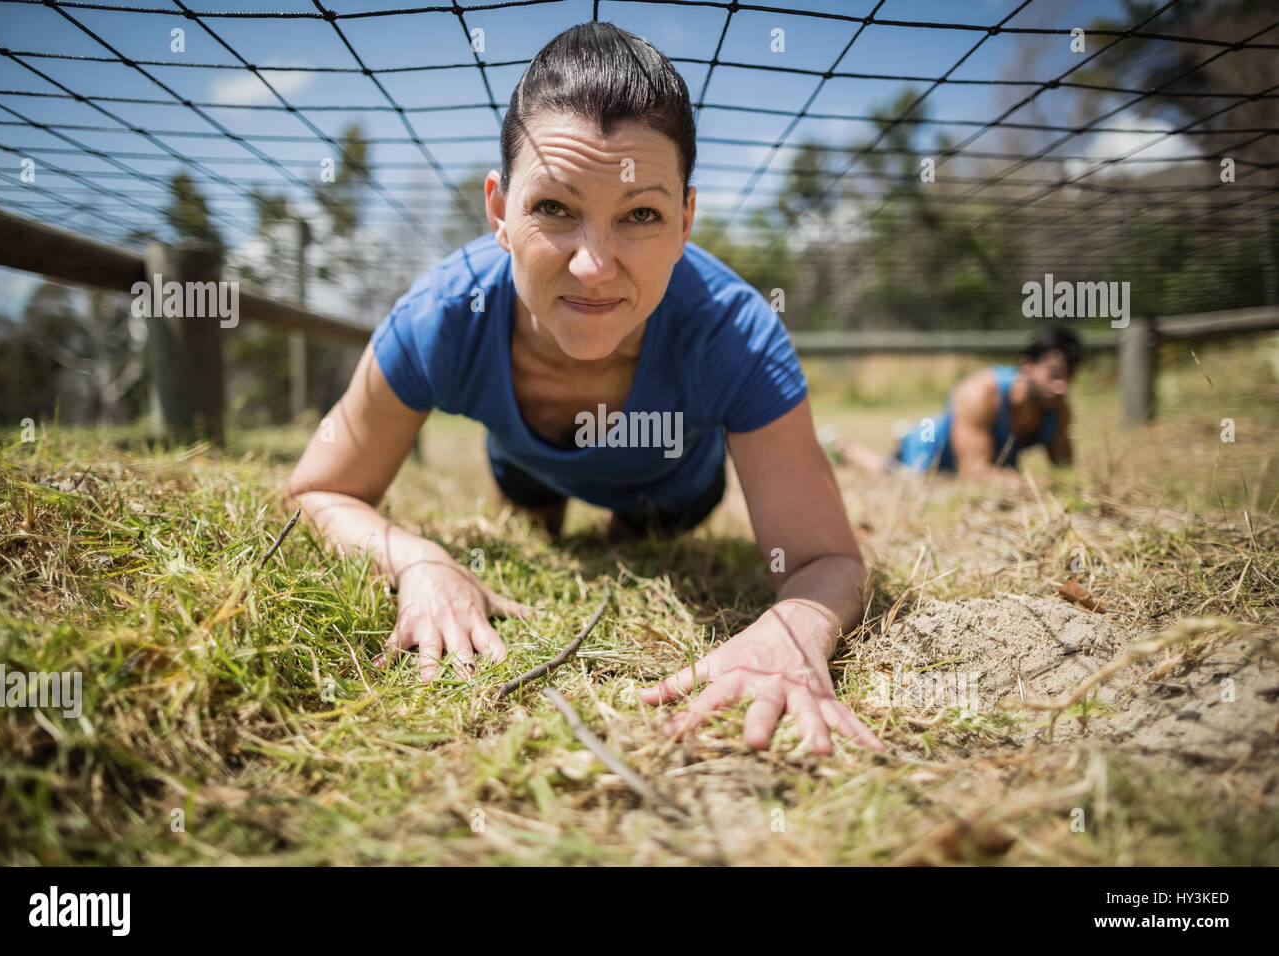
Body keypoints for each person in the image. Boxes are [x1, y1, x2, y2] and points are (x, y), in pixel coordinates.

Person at [285, 22, 883, 756]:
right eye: (554, 209)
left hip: (670, 487)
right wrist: (419, 559)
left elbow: (829, 561)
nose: (593, 267)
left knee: (635, 545)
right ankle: (541, 501)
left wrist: (792, 632)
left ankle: (624, 521)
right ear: (499, 211)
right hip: (524, 465)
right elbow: (313, 491)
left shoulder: (735, 335)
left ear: (686, 221)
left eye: (640, 215)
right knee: (529, 537)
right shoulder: (442, 317)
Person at [841, 326, 1083, 478]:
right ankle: (844, 449)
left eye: (1069, 376)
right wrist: (1036, 484)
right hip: (928, 448)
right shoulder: (980, 392)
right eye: (1053, 374)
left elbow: (1064, 471)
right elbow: (975, 473)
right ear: (1027, 366)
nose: (1061, 386)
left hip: (972, 449)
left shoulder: (1057, 409)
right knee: (894, 474)